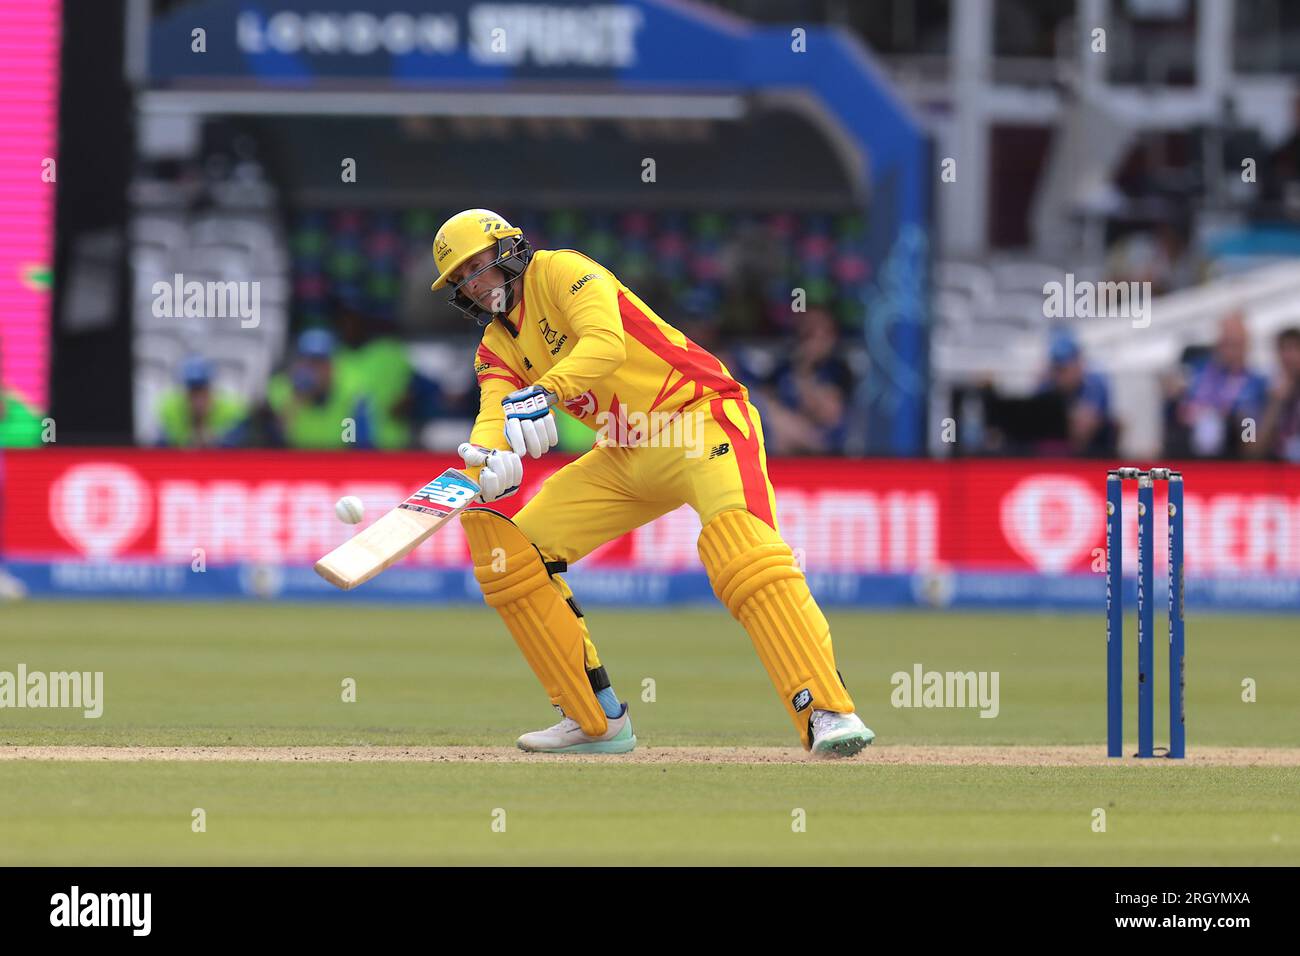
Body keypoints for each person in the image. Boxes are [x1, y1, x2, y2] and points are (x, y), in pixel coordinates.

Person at [431, 208, 871, 758]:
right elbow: (495, 414)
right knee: (513, 555)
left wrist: (544, 392)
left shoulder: (562, 271)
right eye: (463, 279)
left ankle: (827, 710)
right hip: (622, 449)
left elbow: (604, 344)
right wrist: (486, 464)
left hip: (698, 417)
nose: (476, 283)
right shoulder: (494, 347)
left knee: (741, 552)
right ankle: (594, 721)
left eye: (478, 266)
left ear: (508, 251)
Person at [1170, 312, 1269, 459]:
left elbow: (1251, 436)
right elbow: (1181, 410)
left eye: (1236, 344)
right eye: (1226, 343)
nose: (1230, 351)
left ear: (1246, 346)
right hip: (1190, 451)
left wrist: (1235, 419)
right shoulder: (1198, 372)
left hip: (1232, 454)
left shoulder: (1256, 382)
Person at [264, 329, 372, 449]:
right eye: (306, 361)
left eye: (319, 362)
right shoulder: (280, 390)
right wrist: (291, 406)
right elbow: (269, 446)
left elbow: (363, 448)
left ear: (332, 366)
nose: (312, 370)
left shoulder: (352, 395)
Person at [1036, 330, 1115, 456]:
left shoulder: (1095, 384)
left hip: (1091, 456)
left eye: (1064, 368)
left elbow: (1082, 432)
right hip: (1051, 458)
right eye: (1057, 368)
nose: (1060, 374)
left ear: (1078, 363)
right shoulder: (1046, 386)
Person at [156, 356, 248, 448]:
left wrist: (215, 441)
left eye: (202, 390)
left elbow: (237, 448)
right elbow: (161, 447)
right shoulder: (170, 408)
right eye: (192, 391)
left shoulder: (232, 411)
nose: (198, 398)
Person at [1253, 326, 1300, 462]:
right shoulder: (1262, 389)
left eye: (1294, 349)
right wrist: (1276, 403)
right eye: (1283, 350)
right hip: (1275, 467)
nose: (1288, 357)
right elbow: (1252, 449)